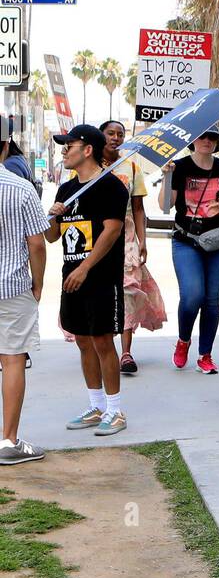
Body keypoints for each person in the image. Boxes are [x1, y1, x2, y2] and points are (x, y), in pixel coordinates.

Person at [47, 124, 129, 436]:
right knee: (82, 340)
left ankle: (115, 410)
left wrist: (85, 268)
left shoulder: (111, 187)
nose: (64, 150)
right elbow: (53, 237)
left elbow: (112, 231)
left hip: (101, 278)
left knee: (102, 340)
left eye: (69, 145)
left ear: (88, 149)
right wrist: (54, 215)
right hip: (71, 277)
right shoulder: (67, 190)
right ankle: (95, 406)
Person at [161, 131, 219, 375]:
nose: (207, 141)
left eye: (212, 138)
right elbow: (165, 206)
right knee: (193, 295)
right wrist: (167, 177)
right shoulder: (179, 167)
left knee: (212, 301)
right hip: (187, 240)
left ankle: (205, 355)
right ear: (193, 140)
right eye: (203, 136)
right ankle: (184, 340)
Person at [100, 121, 166, 374]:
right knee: (102, 293)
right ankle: (102, 346)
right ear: (101, 136)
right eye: (111, 134)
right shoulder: (88, 166)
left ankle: (126, 353)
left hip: (126, 238)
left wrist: (143, 241)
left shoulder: (132, 167)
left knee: (128, 292)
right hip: (96, 239)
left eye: (120, 134)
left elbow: (139, 208)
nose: (116, 138)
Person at [0, 153, 51, 463]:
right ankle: (8, 440)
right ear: (5, 145)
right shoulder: (21, 188)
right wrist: (39, 282)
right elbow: (36, 243)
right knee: (13, 358)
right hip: (12, 285)